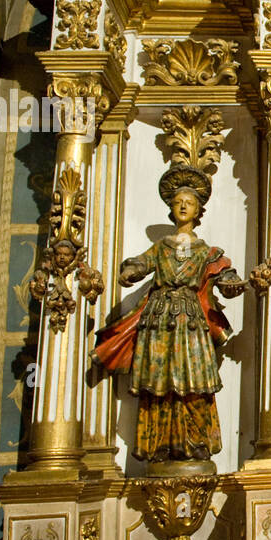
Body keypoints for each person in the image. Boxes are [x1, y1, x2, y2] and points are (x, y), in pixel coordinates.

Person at [93, 166, 245, 466]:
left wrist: (232, 285)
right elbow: (140, 263)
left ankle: (196, 441)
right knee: (159, 383)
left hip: (190, 321)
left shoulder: (207, 251)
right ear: (171, 209)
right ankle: (159, 444)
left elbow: (226, 275)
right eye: (178, 202)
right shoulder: (161, 246)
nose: (184, 206)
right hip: (159, 320)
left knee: (195, 383)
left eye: (189, 202)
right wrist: (130, 271)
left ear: (199, 209)